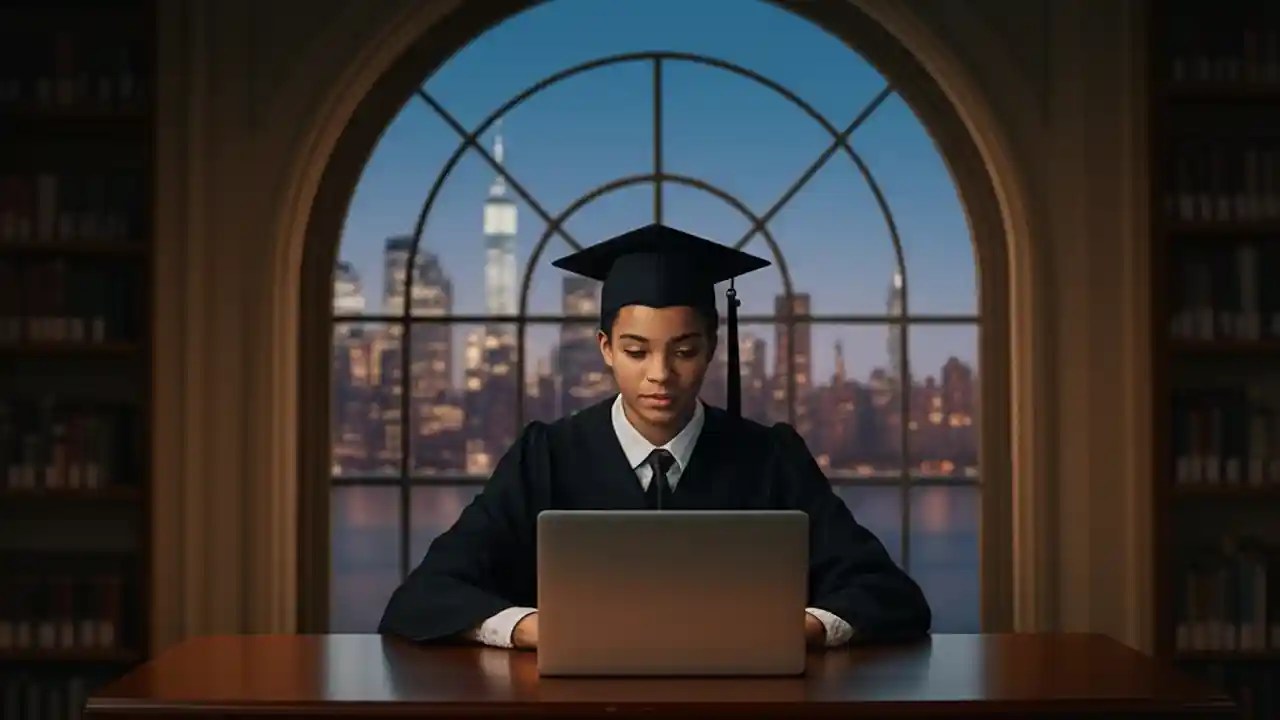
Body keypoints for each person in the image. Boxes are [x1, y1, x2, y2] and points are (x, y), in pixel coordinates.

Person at [378, 223, 931, 651]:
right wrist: (534, 629)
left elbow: (889, 595)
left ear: (712, 347)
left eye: (685, 350)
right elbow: (424, 598)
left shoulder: (770, 458)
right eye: (636, 351)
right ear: (605, 349)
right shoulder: (545, 456)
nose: (661, 374)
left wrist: (798, 629)